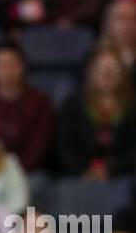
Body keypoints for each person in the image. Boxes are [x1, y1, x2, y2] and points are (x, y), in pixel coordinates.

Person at [0, 42, 55, 175]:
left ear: (22, 67)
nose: (7, 71)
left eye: (12, 64)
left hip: (27, 172)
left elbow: (39, 148)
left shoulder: (40, 102)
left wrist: (13, 173)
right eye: (1, 65)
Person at [55, 45, 136, 179]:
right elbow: (64, 147)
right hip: (78, 176)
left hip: (123, 177)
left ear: (123, 74)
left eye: (114, 69)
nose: (107, 74)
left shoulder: (132, 107)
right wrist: (84, 171)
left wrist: (111, 171)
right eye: (102, 69)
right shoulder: (73, 104)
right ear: (91, 72)